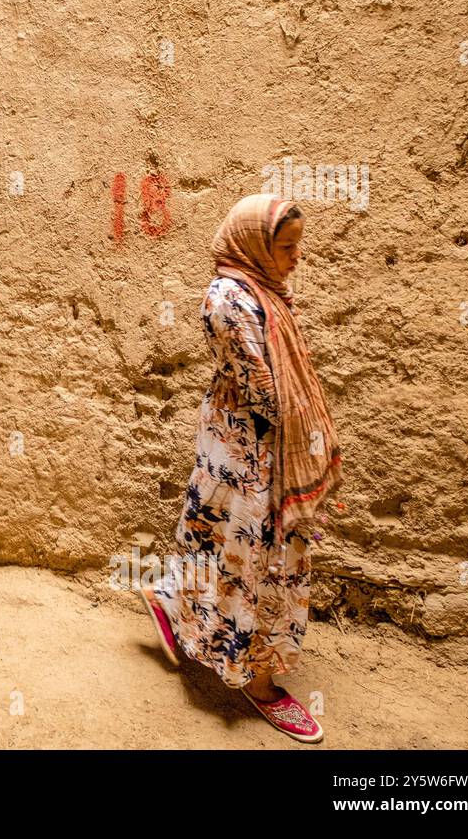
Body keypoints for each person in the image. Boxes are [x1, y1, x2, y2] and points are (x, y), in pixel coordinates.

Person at [139, 193, 343, 743]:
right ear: (254, 245)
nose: (296, 258)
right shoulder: (229, 297)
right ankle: (257, 679)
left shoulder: (265, 288)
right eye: (286, 247)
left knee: (222, 539)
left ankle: (169, 597)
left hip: (248, 441)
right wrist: (307, 436)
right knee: (258, 554)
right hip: (250, 448)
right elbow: (266, 391)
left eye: (297, 246)